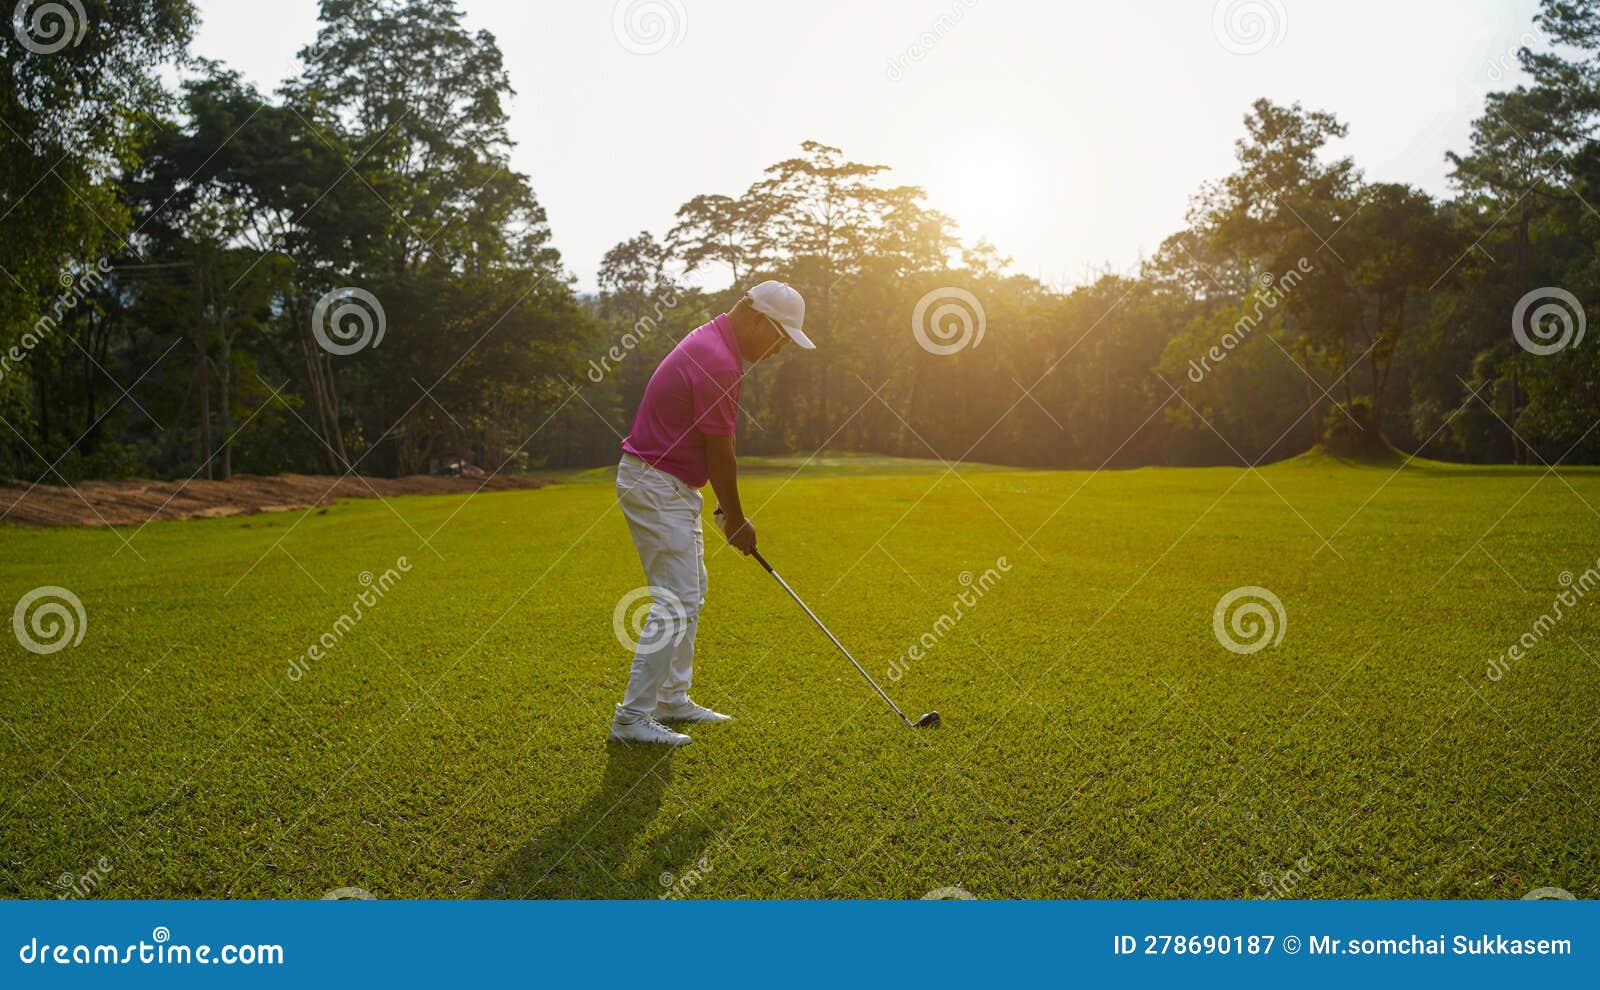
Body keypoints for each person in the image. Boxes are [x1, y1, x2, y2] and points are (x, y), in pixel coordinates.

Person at [609, 280, 814, 745]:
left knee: (692, 590)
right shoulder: (719, 359)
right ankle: (631, 719)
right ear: (758, 319)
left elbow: (713, 442)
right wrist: (737, 520)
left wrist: (725, 509)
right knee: (675, 598)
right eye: (780, 338)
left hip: (671, 484)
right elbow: (720, 451)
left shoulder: (716, 343)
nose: (779, 351)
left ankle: (671, 699)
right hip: (655, 483)